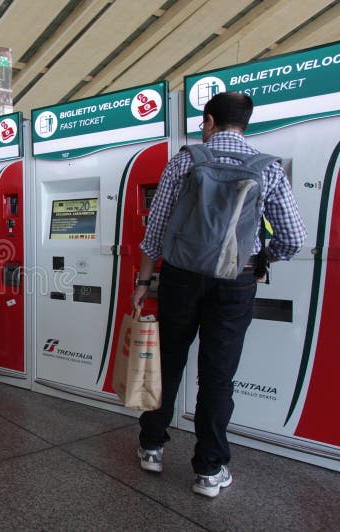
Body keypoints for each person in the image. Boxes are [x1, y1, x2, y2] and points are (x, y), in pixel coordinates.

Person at [131, 92, 306, 498]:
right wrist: (259, 261)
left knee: (169, 360)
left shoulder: (185, 160)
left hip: (181, 277)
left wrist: (143, 283)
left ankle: (152, 447)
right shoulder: (268, 169)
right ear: (246, 123)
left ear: (209, 120)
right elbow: (293, 238)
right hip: (235, 280)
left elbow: (154, 233)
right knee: (217, 376)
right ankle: (209, 471)